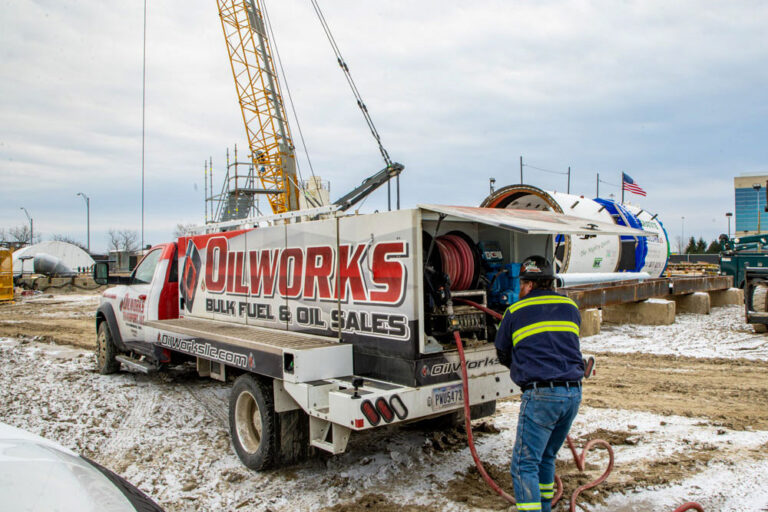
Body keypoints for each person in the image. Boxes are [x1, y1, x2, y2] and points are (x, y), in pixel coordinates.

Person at [494, 255, 584, 512]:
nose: (519, 288)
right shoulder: (570, 306)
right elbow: (567, 341)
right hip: (573, 394)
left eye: (521, 283)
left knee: (524, 464)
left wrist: (524, 368)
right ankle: (545, 505)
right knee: (546, 456)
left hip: (542, 396)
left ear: (530, 285)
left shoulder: (515, 311)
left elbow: (502, 353)